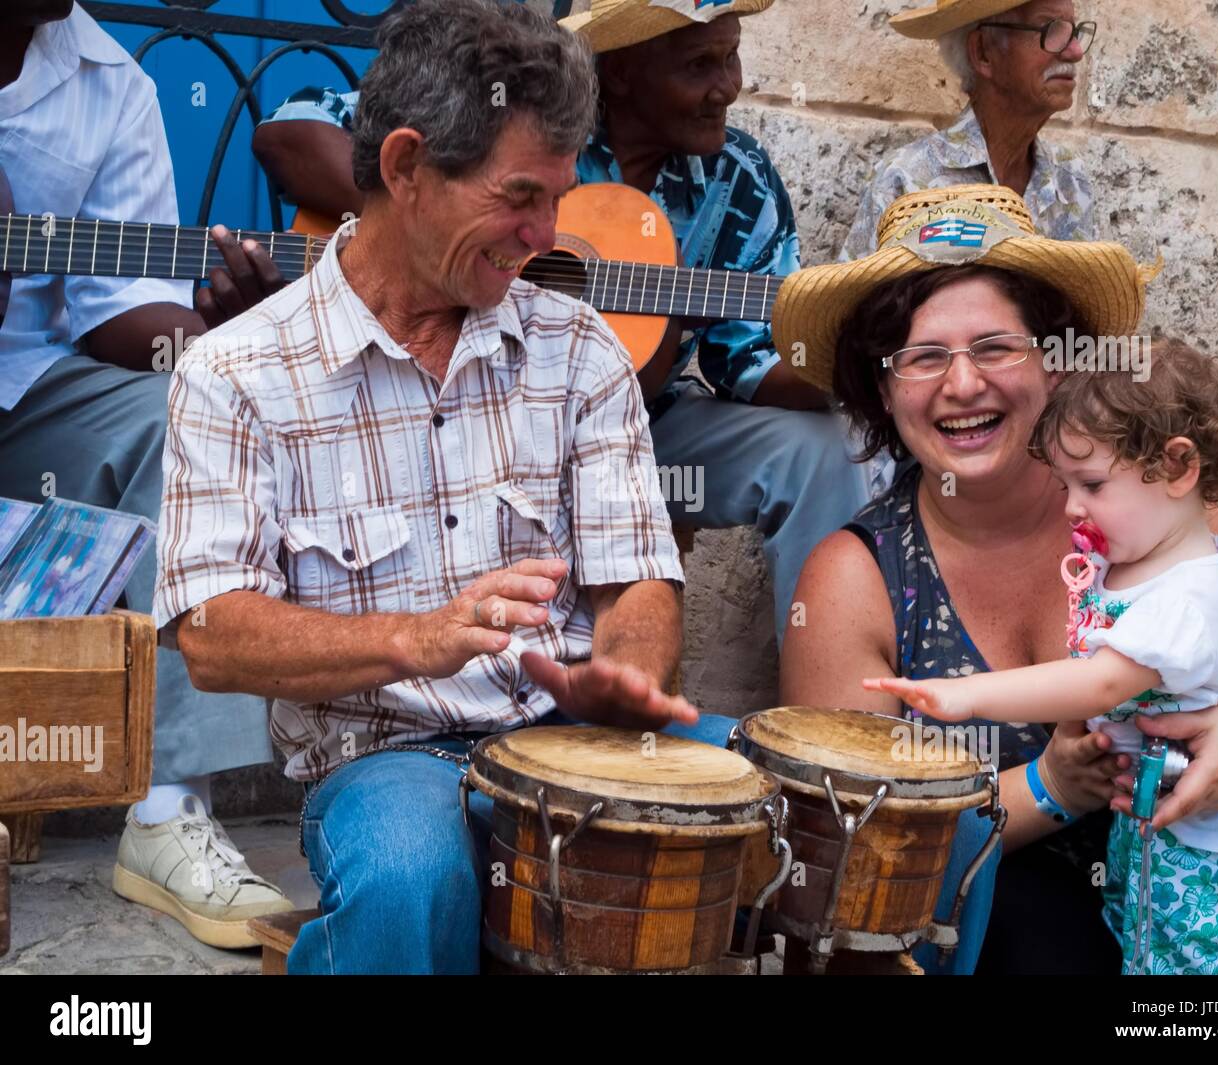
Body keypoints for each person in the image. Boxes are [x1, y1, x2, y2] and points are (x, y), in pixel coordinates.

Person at [153, 0, 741, 975]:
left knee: (777, 796)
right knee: (410, 876)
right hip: (390, 759)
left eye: (560, 195)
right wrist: (416, 638)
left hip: (567, 733)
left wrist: (624, 678)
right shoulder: (235, 373)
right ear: (406, 168)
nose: (545, 233)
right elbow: (211, 638)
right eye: (518, 197)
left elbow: (636, 577)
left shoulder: (579, 349)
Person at [251, 0, 895, 644]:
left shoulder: (738, 181)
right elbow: (289, 131)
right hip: (454, 415)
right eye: (700, 64)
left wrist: (884, 365)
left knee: (823, 448)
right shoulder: (522, 129)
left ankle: (829, 711)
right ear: (620, 72)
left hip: (642, 434)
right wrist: (434, 227)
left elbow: (747, 360)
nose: (726, 86)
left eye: (731, 56)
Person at [777, 183, 1218, 974]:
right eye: (922, 357)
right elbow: (848, 847)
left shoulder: (1188, 496)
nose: (961, 385)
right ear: (882, 390)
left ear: (1056, 364)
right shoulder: (853, 578)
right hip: (1012, 914)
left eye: (995, 347)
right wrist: (1049, 786)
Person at [863, 338, 1218, 974]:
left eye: (1092, 484)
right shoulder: (1136, 559)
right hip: (1152, 823)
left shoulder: (1188, 595)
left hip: (1211, 851)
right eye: (1065, 483)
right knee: (1131, 935)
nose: (1072, 507)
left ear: (1178, 469)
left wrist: (967, 695)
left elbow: (1100, 684)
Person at [0, 0, 291, 947]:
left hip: (27, 404)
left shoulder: (111, 86)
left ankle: (169, 810)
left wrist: (223, 339)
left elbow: (120, 307)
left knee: (193, 406)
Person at [842, 0, 1097, 258]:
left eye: (1073, 32)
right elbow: (862, 296)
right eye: (1050, 29)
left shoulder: (1072, 181)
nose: (1075, 51)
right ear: (983, 51)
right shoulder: (905, 181)